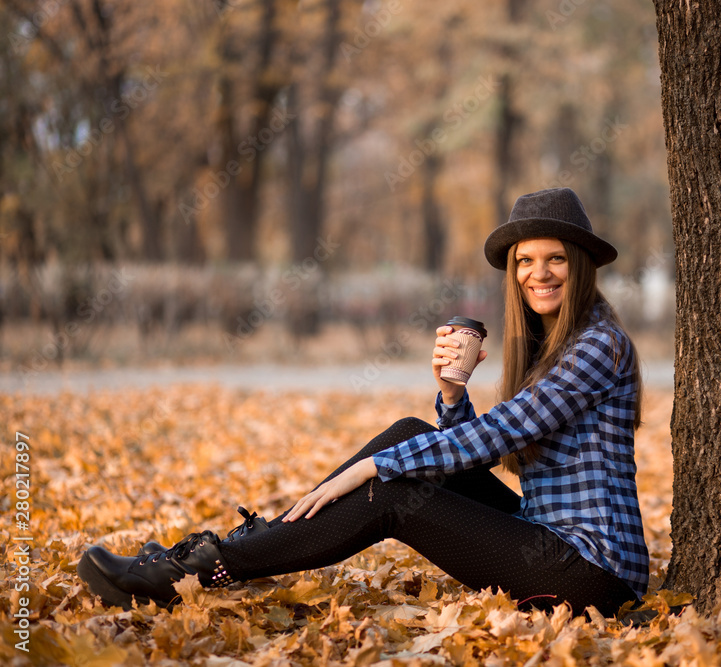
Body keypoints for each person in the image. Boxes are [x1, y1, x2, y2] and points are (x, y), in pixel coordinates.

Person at [78, 187, 649, 618]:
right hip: (546, 537)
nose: (537, 272)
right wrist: (452, 394)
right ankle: (223, 553)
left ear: (581, 264)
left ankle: (203, 568)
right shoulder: (554, 347)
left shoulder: (599, 346)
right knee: (406, 432)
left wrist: (372, 467)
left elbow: (496, 437)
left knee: (392, 489)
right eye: (525, 261)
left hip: (592, 576)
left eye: (554, 259)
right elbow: (487, 456)